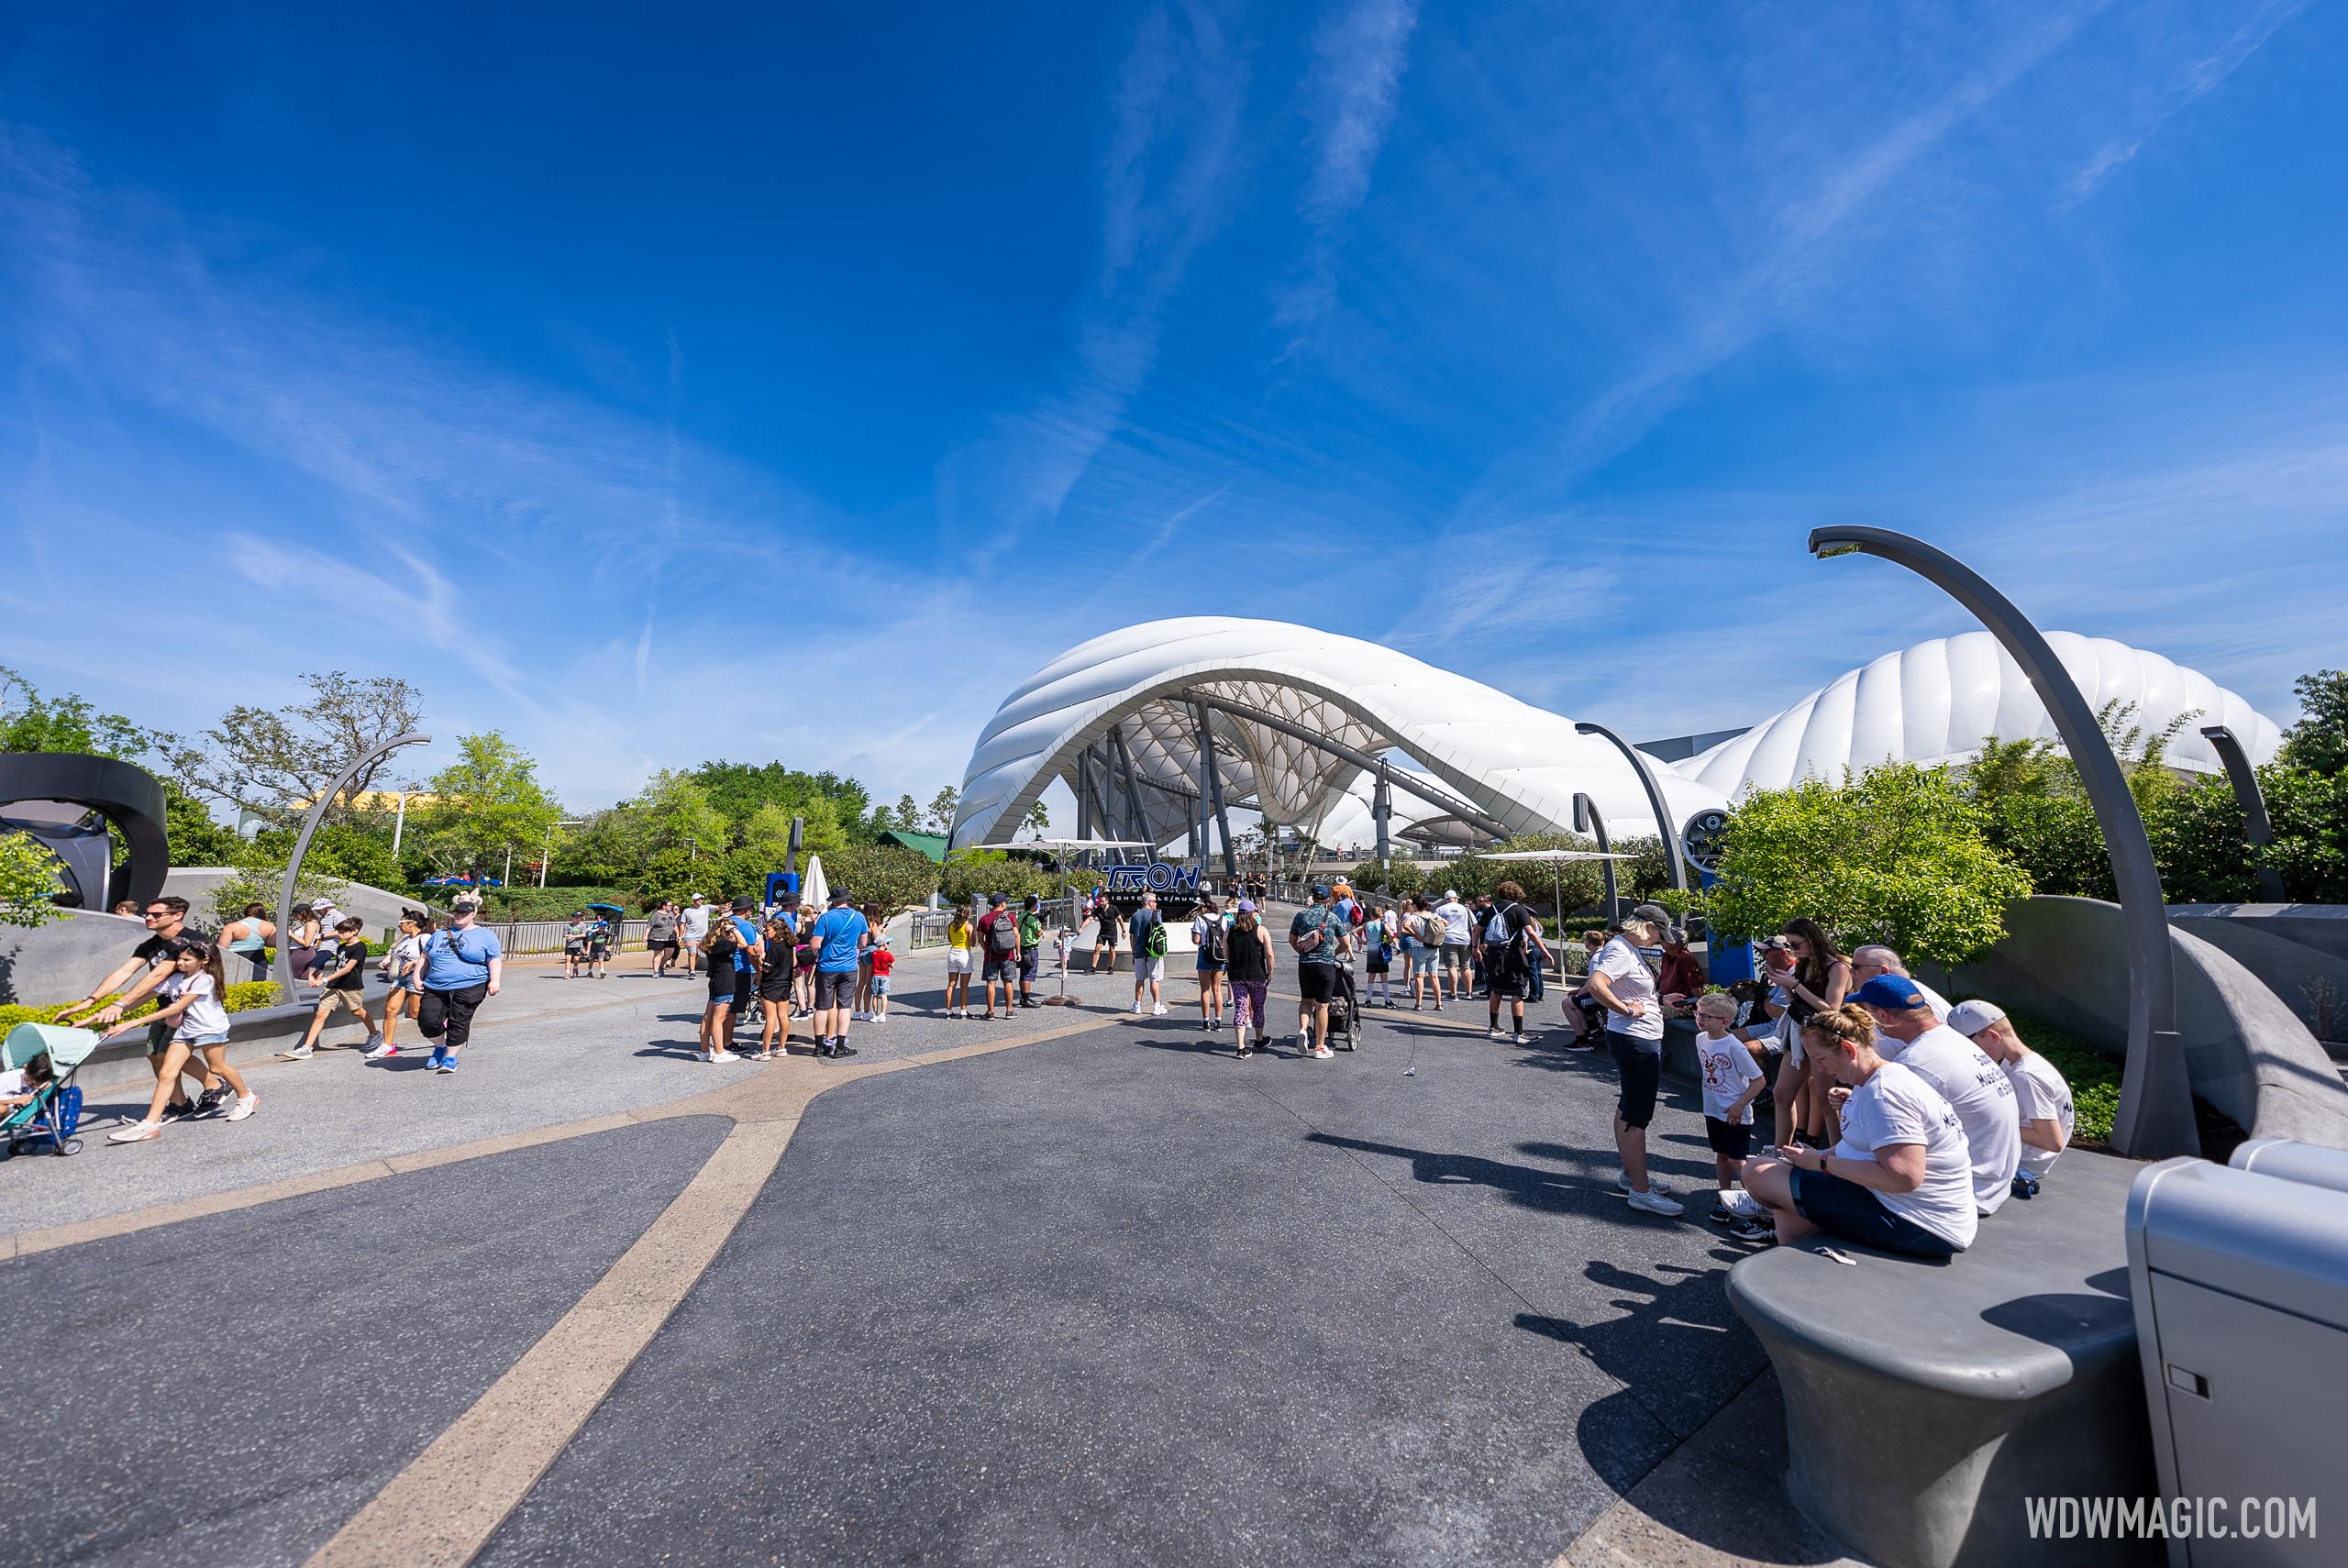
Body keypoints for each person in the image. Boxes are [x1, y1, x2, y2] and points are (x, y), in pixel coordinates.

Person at [1740, 1004, 1978, 1257]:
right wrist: (1815, 1155)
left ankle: (1792, 1245)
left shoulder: (1884, 1094)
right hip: (1920, 1212)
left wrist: (1822, 1162)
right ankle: (1797, 1262)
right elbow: (1868, 1144)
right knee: (1788, 1209)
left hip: (1919, 1224)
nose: (1819, 1069)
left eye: (1821, 1059)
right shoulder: (1881, 1079)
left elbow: (1905, 1177)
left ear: (1847, 1049)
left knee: (1758, 1172)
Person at [1855, 976, 2021, 1216]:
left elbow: (1895, 1131)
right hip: (1994, 1181)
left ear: (1882, 1016)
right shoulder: (1951, 1040)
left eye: (1867, 1012)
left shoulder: (1916, 1062)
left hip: (1965, 1193)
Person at [68, 895, 226, 1118]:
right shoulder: (151, 944)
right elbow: (124, 972)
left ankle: (214, 1085)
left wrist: (120, 1004)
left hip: (187, 1010)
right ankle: (179, 1102)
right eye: (147, 913)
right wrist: (90, 1001)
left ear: (177, 916)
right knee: (155, 1055)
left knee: (168, 1055)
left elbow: (159, 975)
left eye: (156, 914)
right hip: (164, 1005)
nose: (148, 917)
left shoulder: (190, 941)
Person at [103, 942, 259, 1142]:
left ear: (204, 961)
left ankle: (246, 1097)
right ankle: (149, 1124)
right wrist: (117, 1010)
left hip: (210, 1029)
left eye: (187, 959)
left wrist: (132, 1023)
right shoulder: (176, 979)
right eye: (179, 959)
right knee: (167, 1071)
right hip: (186, 1030)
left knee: (218, 1068)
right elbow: (146, 996)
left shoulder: (205, 980)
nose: (181, 963)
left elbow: (177, 1008)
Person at [1586, 910, 1680, 1215]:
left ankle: (1632, 1176)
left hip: (1633, 1036)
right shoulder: (1622, 950)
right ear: (1648, 927)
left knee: (1628, 1107)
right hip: (1635, 1037)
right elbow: (1596, 984)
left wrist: (1657, 1002)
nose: (1659, 941)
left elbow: (1620, 987)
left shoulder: (1624, 948)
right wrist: (1627, 1010)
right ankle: (1641, 1190)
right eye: (1658, 934)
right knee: (1637, 1115)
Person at [1949, 999, 2074, 1195]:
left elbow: (2052, 1141)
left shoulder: (2026, 1076)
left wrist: (1992, 1123)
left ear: (1992, 1036)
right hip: (2020, 1156)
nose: (1968, 1053)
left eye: (1969, 1044)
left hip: (2024, 1162)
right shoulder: (2015, 1064)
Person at [1771, 918, 1853, 1152]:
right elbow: (1796, 1004)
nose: (1793, 950)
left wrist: (1795, 985)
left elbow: (1831, 1009)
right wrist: (1784, 984)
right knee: (1781, 1094)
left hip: (1823, 1037)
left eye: (1796, 944)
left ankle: (1839, 1154)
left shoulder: (1837, 967)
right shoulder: (1803, 964)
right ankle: (1780, 1151)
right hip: (1800, 1034)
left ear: (1812, 940)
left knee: (1826, 1100)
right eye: (1789, 946)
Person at [1692, 993, 1767, 1223]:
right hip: (1713, 1108)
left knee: (1738, 1159)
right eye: (1697, 1013)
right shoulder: (1701, 1039)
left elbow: (1759, 1080)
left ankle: (1756, 1201)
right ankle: (1725, 1197)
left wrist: (1739, 1105)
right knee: (1722, 1155)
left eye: (1705, 1016)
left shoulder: (1735, 1047)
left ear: (1724, 1022)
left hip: (1736, 1112)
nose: (1699, 1019)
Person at [415, 898, 503, 1075]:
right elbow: (424, 957)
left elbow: (494, 958)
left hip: (470, 984)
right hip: (435, 985)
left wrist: (495, 980)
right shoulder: (440, 934)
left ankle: (450, 1057)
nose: (459, 916)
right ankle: (440, 1047)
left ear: (473, 915)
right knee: (427, 1022)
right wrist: (417, 977)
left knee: (459, 1020)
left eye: (464, 913)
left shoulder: (486, 935)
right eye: (457, 913)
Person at [283, 917, 379, 1058]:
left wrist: (324, 979)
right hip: (333, 986)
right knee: (321, 1014)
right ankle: (307, 1048)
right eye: (338, 932)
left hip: (351, 986)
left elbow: (348, 968)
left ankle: (375, 1034)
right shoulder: (341, 947)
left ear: (354, 931)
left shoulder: (360, 948)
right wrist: (325, 980)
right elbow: (338, 967)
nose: (339, 935)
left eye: (342, 932)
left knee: (358, 1012)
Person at [1288, 883, 1350, 1058]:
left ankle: (1303, 1030)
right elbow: (1346, 944)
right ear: (1328, 900)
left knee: (1306, 1001)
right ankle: (1320, 1047)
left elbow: (1292, 940)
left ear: (1313, 897)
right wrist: (1333, 953)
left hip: (1305, 964)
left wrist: (1302, 952)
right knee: (1322, 1005)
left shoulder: (1301, 915)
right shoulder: (1332, 917)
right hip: (1325, 965)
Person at [807, 888, 869, 1058]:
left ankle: (819, 1047)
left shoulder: (825, 918)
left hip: (826, 967)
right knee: (844, 1006)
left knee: (822, 1007)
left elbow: (815, 944)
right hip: (848, 967)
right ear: (848, 899)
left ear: (833, 901)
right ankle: (840, 1046)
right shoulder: (859, 917)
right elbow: (863, 943)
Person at [371, 909, 431, 1059]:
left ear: (412, 924)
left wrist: (414, 963)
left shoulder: (425, 938)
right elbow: (396, 955)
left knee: (414, 1013)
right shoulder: (404, 939)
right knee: (390, 1010)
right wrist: (387, 963)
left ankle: (441, 1027)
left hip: (416, 976)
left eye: (401, 923)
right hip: (401, 977)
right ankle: (387, 1045)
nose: (399, 926)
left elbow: (434, 957)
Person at [1482, 881, 1536, 1043]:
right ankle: (1518, 1033)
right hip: (1513, 954)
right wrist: (1545, 950)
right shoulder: (1519, 909)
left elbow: (1477, 929)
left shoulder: (1491, 909)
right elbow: (1530, 931)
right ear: (1516, 894)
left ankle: (1494, 1027)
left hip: (1493, 954)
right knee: (1517, 991)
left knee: (1496, 990)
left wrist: (1474, 947)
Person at [697, 911, 749, 1064]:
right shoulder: (723, 944)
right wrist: (734, 930)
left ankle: (705, 1050)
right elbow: (744, 944)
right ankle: (719, 1052)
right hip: (725, 982)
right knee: (718, 1019)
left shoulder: (711, 943)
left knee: (708, 1017)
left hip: (715, 981)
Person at [1224, 900, 1275, 1056]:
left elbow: (1225, 951)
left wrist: (1230, 963)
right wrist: (1270, 972)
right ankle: (1259, 1039)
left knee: (1240, 1008)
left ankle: (1241, 1047)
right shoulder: (1261, 930)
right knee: (1258, 1007)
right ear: (1253, 913)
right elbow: (1269, 955)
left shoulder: (1230, 930)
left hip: (1237, 975)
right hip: (1257, 975)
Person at [1850, 945, 1952, 1020]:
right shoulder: (1909, 992)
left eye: (1856, 967)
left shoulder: (1905, 1000)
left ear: (1883, 972)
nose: (1851, 972)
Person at [755, 913, 797, 1058]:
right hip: (785, 983)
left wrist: (759, 957)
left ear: (777, 931)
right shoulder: (788, 946)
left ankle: (765, 1051)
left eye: (768, 930)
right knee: (783, 1016)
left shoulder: (775, 948)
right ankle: (781, 1047)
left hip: (771, 984)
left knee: (771, 1018)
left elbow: (766, 968)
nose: (766, 933)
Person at [977, 892, 1022, 1021]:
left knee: (991, 982)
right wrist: (1018, 952)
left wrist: (987, 949)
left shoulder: (984, 919)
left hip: (991, 956)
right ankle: (1009, 1011)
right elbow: (1017, 935)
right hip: (1008, 955)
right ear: (1002, 904)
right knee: (1008, 982)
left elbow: (980, 938)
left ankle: (990, 1012)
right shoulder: (1010, 917)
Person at [1190, 895, 1227, 1031]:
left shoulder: (1200, 920)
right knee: (1217, 989)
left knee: (1205, 989)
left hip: (1205, 955)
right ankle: (1218, 1021)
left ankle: (1206, 1022)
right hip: (1220, 956)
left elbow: (1196, 940)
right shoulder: (1223, 919)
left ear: (1205, 908)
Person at [1129, 892, 1168, 1016]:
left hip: (1139, 952)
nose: (1156, 904)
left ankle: (1137, 1005)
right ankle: (1156, 1006)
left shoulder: (1135, 916)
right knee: (1154, 980)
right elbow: (1161, 933)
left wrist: (1133, 952)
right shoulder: (1156, 915)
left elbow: (1132, 936)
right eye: (1155, 901)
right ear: (1150, 902)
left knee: (1139, 979)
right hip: (1154, 951)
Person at [220, 903, 275, 982]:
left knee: (235, 983)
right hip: (259, 957)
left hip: (236, 957)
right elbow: (273, 943)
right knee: (258, 984)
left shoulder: (232, 926)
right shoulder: (269, 926)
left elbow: (222, 947)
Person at [1411, 897, 1448, 1011]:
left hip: (1420, 947)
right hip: (1434, 947)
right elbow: (1446, 923)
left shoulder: (1414, 916)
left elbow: (1404, 927)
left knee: (1419, 977)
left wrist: (1416, 934)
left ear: (1415, 906)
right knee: (1434, 976)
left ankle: (1418, 1004)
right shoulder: (1434, 915)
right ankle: (1439, 1004)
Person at [1436, 889, 1474, 999]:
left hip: (1449, 939)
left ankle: (1454, 994)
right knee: (1466, 967)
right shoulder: (1464, 909)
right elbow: (1474, 923)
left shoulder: (1440, 909)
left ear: (1446, 899)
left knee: (1452, 967)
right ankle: (1469, 993)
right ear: (1455, 898)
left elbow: (1435, 924)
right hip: (1465, 939)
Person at [944, 902, 976, 1019]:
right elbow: (972, 943)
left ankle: (948, 1011)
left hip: (953, 953)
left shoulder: (952, 925)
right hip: (964, 953)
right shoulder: (968, 926)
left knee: (951, 984)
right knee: (964, 985)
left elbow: (950, 939)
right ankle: (963, 1011)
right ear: (967, 913)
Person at [1016, 894, 1047, 1010]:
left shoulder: (1021, 916)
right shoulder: (1031, 918)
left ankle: (1023, 997)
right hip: (1031, 948)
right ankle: (1026, 999)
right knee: (1028, 974)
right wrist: (1042, 924)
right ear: (1034, 906)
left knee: (1023, 973)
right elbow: (1038, 933)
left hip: (1022, 947)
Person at [1361, 903, 1391, 1009]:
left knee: (1371, 975)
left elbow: (1354, 931)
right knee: (1384, 975)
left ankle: (1368, 999)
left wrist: (1363, 941)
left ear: (1371, 915)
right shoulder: (1383, 924)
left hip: (1371, 950)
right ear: (1381, 915)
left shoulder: (1368, 924)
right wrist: (1388, 942)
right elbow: (1391, 935)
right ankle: (1387, 1000)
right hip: (1381, 950)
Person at [677, 894, 711, 977]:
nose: (700, 901)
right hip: (690, 935)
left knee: (698, 954)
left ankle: (692, 968)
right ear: (693, 901)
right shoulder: (687, 911)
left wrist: (729, 905)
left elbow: (719, 907)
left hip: (702, 936)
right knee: (692, 953)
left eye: (701, 899)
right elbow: (682, 924)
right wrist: (680, 937)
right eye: (698, 899)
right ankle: (692, 971)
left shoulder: (706, 908)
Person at [646, 900, 680, 977]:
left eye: (672, 906)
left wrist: (678, 933)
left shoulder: (671, 914)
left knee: (669, 955)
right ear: (664, 906)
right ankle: (656, 971)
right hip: (657, 937)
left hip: (670, 938)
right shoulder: (656, 914)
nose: (671, 907)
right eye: (670, 906)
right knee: (658, 954)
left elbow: (675, 926)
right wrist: (645, 936)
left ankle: (661, 966)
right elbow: (649, 926)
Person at [1089, 890, 1118, 973]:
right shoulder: (1098, 910)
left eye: (1102, 901)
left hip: (1112, 932)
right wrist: (1082, 927)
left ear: (1107, 901)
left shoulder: (1113, 908)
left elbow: (1119, 918)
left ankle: (1110, 967)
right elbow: (1090, 918)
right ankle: (1093, 968)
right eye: (1100, 901)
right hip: (1102, 933)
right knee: (1097, 948)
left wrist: (1123, 930)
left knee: (1111, 949)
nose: (1101, 903)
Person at [869, 933, 896, 1021]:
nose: (888, 945)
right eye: (888, 943)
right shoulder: (887, 954)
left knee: (875, 996)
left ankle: (875, 1014)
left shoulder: (873, 954)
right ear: (884, 944)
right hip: (884, 976)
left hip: (875, 976)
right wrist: (888, 964)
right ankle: (882, 1015)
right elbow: (892, 966)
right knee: (884, 995)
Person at [563, 911, 593, 979]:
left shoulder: (583, 925)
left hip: (577, 945)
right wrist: (567, 936)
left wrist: (573, 936)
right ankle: (567, 973)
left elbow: (584, 934)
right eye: (577, 918)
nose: (578, 919)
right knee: (567, 958)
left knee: (576, 959)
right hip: (569, 945)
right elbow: (564, 934)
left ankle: (575, 967)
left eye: (580, 918)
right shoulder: (567, 925)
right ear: (573, 918)